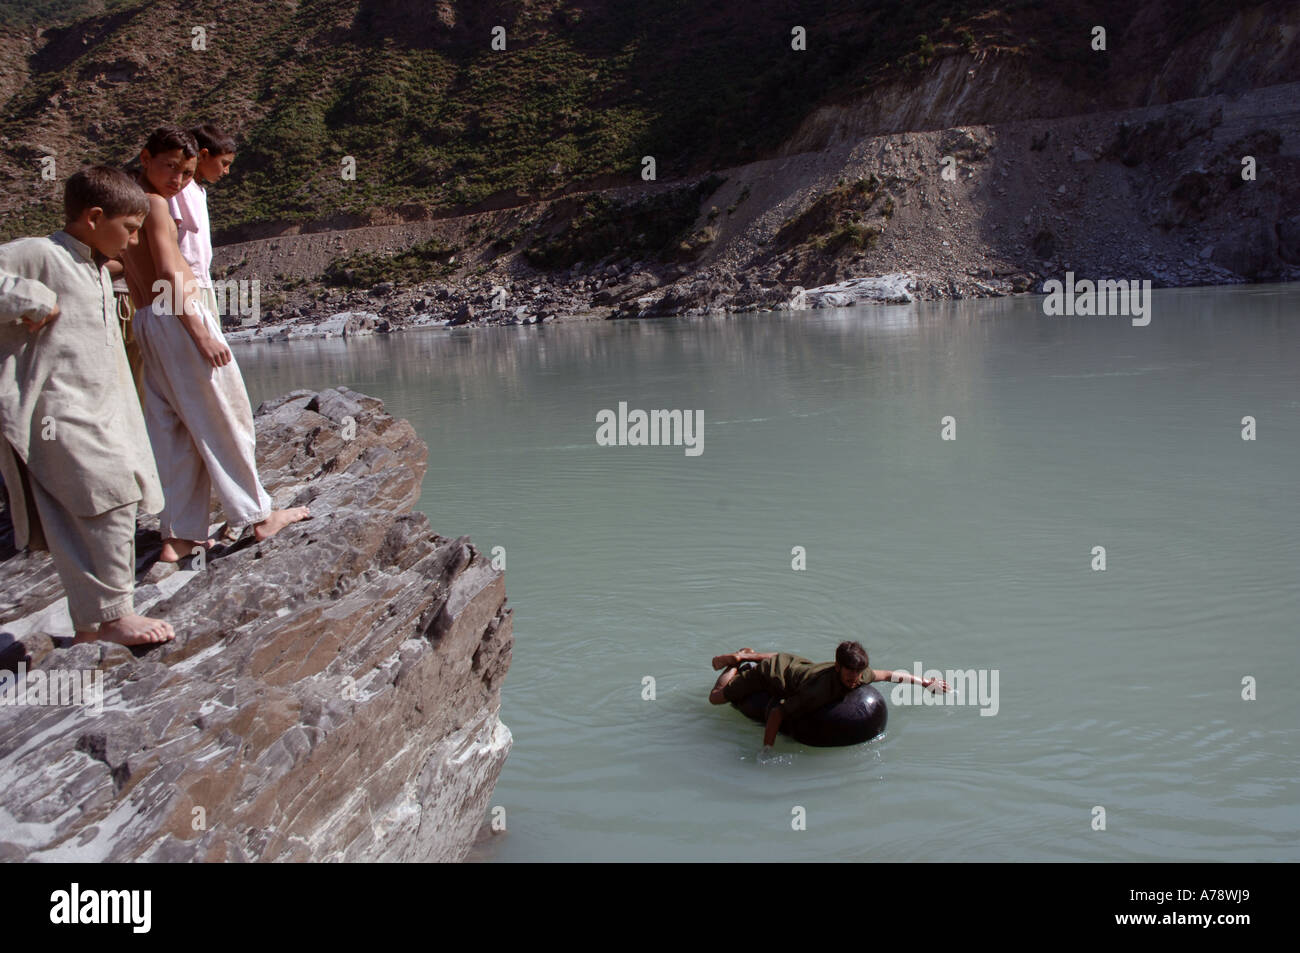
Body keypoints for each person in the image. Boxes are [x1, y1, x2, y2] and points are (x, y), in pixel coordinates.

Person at [0, 166, 173, 645]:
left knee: (83, 511)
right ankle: (117, 613)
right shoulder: (39, 253)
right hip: (57, 408)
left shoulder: (93, 264)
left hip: (100, 407)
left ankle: (89, 626)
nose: (135, 241)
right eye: (130, 229)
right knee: (113, 494)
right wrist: (28, 296)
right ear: (95, 216)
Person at [120, 125, 308, 563]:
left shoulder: (128, 204)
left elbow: (129, 269)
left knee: (174, 429)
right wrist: (201, 332)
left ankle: (181, 536)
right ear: (145, 158)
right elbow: (169, 269)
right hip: (177, 314)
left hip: (149, 319)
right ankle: (260, 516)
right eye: (170, 168)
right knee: (226, 413)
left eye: (185, 173)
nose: (178, 181)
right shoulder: (157, 205)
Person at [709, 641, 951, 747]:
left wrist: (926, 682)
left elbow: (888, 675)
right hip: (771, 673)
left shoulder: (858, 675)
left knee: (784, 659)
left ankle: (746, 653)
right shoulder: (819, 692)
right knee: (716, 698)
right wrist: (767, 750)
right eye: (849, 674)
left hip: (795, 663)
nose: (855, 680)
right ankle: (735, 665)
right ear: (838, 667)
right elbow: (777, 712)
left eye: (858, 674)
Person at [167, 122, 235, 327]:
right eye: (224, 163)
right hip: (187, 281)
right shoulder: (179, 190)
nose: (226, 171)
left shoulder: (198, 190)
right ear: (203, 155)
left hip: (200, 279)